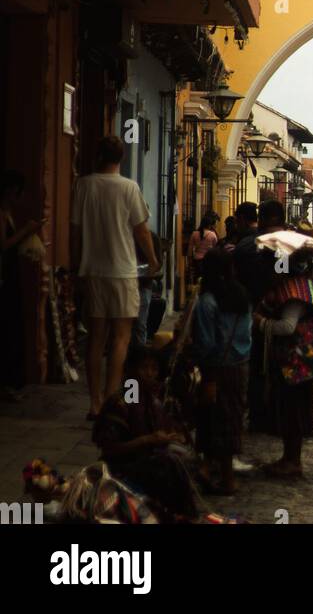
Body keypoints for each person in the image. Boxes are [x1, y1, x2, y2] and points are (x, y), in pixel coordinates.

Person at [70, 135, 159, 421]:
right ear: (121, 158)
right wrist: (153, 258)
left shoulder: (83, 185)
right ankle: (111, 399)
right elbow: (141, 230)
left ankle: (94, 403)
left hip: (93, 270)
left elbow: (75, 231)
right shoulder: (129, 188)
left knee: (96, 338)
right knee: (121, 337)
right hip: (122, 271)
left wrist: (76, 265)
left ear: (98, 155)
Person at [251, 241, 313, 479]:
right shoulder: (302, 286)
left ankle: (292, 461)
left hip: (296, 361)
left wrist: (261, 322)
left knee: (291, 409)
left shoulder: (294, 292)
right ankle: (289, 458)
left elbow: (287, 327)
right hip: (302, 361)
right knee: (294, 408)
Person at [93, 343, 198, 521]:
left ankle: (179, 514)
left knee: (182, 457)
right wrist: (147, 440)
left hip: (146, 459)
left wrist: (169, 437)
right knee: (168, 463)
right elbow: (110, 449)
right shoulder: (122, 401)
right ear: (133, 370)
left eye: (154, 369)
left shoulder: (152, 399)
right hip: (121, 468)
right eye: (144, 368)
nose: (149, 373)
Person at [191, 247, 252, 496]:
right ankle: (210, 470)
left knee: (214, 418)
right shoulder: (242, 297)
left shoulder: (208, 302)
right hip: (240, 366)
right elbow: (247, 334)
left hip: (216, 369)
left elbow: (206, 343)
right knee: (231, 418)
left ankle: (226, 479)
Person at [0, 169, 43, 401]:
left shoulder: (8, 212)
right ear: (10, 191)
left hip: (10, 273)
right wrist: (26, 231)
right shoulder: (1, 213)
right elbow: (3, 245)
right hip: (4, 276)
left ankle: (10, 382)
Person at [187, 210, 219, 286]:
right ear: (209, 225)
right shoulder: (212, 235)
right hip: (208, 260)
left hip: (197, 260)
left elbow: (190, 249)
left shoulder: (194, 233)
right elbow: (216, 249)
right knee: (207, 279)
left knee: (197, 280)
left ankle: (196, 294)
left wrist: (190, 261)